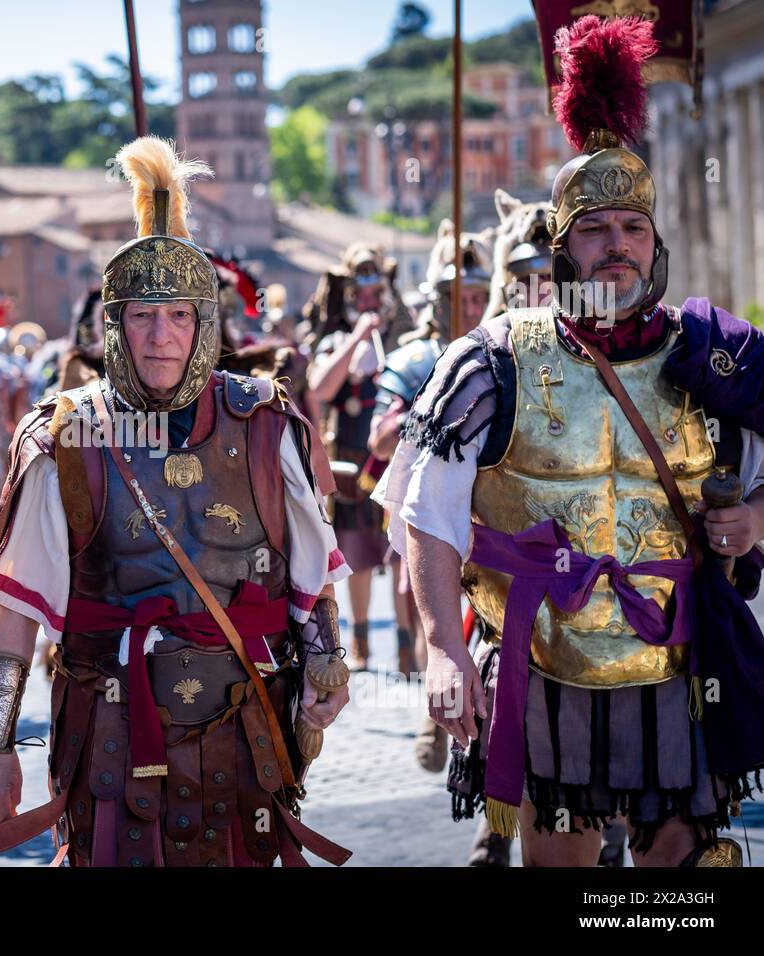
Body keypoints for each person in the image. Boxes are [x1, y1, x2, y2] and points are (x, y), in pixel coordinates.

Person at [374, 16, 764, 867]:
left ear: (655, 245)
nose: (616, 246)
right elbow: (425, 510)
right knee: (562, 861)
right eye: (595, 230)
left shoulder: (715, 355)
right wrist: (442, 649)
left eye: (632, 228)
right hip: (541, 655)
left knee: (681, 866)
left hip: (677, 656)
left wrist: (759, 517)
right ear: (561, 248)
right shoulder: (490, 361)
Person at [0, 136, 354, 867]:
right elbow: (16, 616)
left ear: (204, 323)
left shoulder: (265, 422)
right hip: (109, 726)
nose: (161, 337)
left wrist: (328, 666)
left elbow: (312, 576)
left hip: (244, 722)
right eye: (142, 316)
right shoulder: (63, 440)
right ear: (113, 325)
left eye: (179, 315)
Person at [303, 244, 414, 673]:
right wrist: (357, 338)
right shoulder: (336, 340)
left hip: (395, 459)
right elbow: (320, 389)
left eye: (375, 291)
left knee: (400, 550)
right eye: (360, 292)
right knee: (357, 555)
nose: (369, 300)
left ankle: (408, 648)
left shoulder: (403, 340)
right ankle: (362, 642)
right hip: (352, 462)